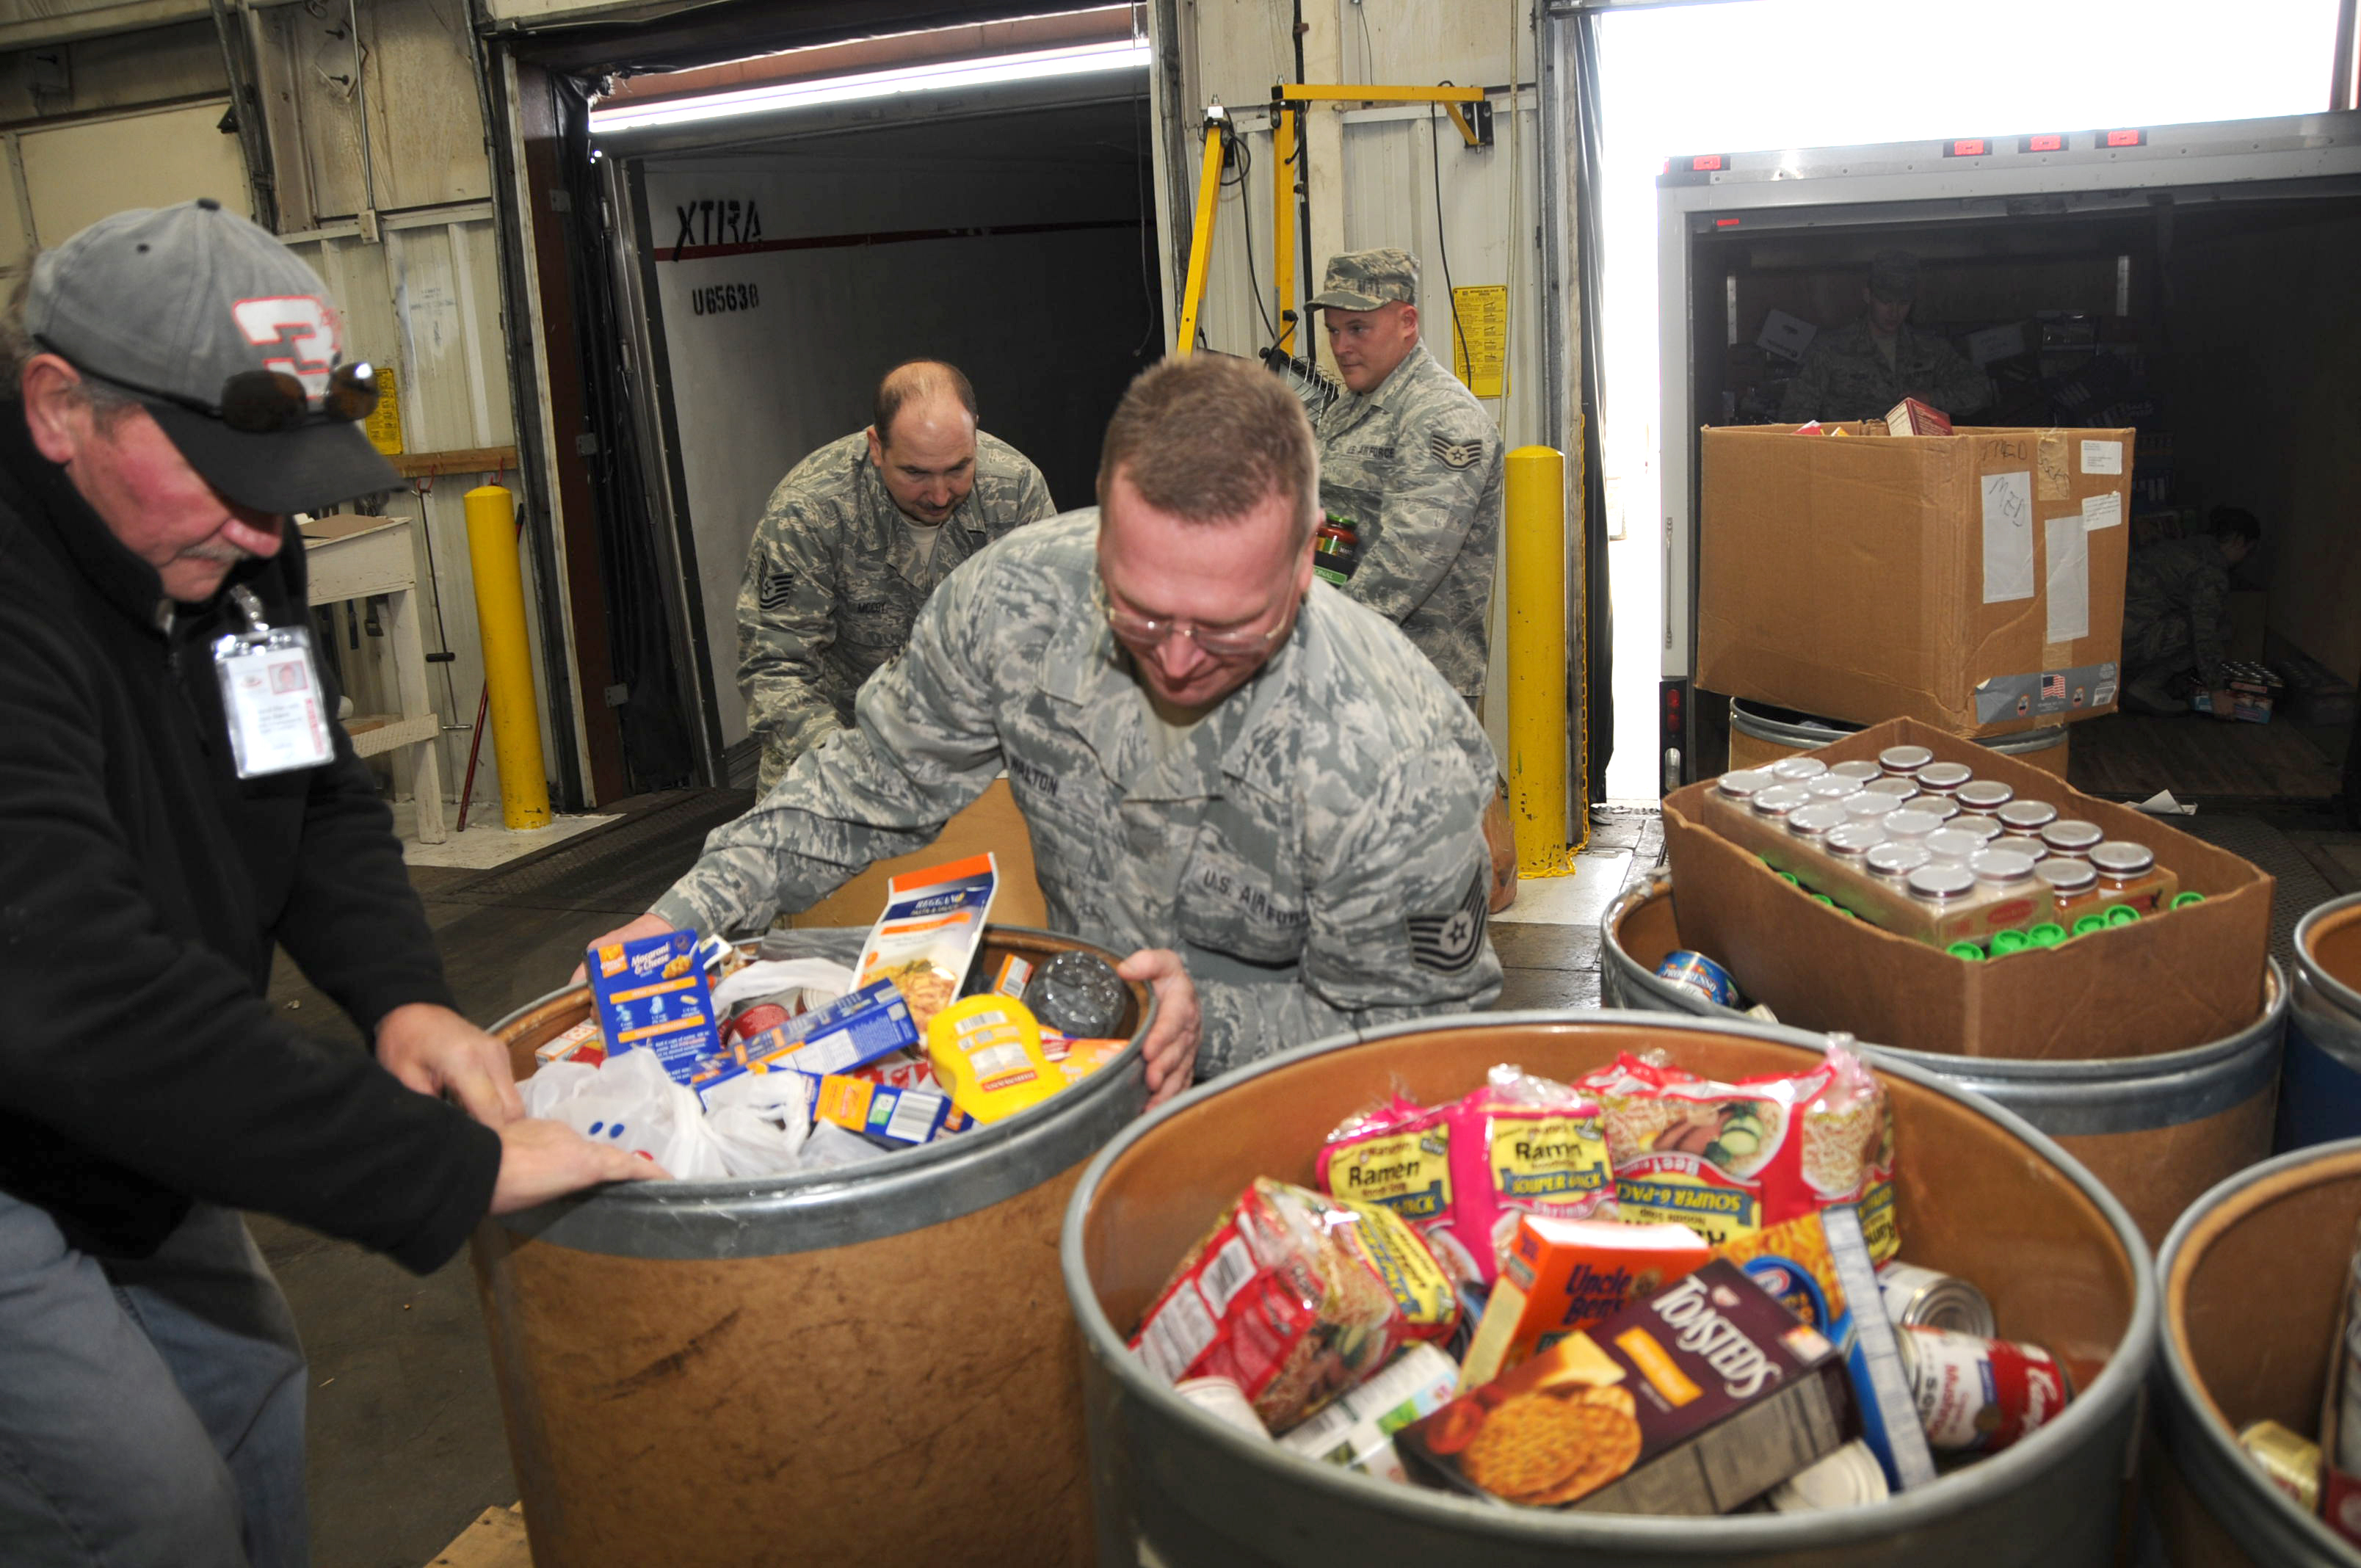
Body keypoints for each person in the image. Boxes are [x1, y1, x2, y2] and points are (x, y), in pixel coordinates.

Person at [0, 200, 651, 1568]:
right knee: (139, 1508)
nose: (265, 532)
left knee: (248, 1399)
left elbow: (310, 788)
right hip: (33, 1096)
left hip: (125, 1121)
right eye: (231, 477)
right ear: (60, 408)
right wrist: (445, 1165)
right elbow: (72, 989)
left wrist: (403, 998)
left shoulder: (233, 546)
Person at [590, 355, 1503, 1100]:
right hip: (1075, 1080)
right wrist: (681, 916)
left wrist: (1209, 1023)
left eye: (1226, 627)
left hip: (1289, 1117)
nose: (1177, 660)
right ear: (1101, 533)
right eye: (1138, 611)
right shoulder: (1017, 599)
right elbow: (863, 790)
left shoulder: (1394, 751)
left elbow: (1421, 1049)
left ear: (1305, 560)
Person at [738, 360, 1056, 788]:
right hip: (835, 748)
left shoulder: (1014, 491)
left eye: (958, 468)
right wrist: (850, 766)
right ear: (876, 446)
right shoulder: (810, 510)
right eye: (916, 473)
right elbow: (775, 666)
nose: (940, 495)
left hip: (972, 750)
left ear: (975, 432)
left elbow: (1049, 640)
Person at [1305, 248, 1504, 705]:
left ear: (1407, 321)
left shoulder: (1443, 416)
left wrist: (1316, 638)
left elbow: (1411, 554)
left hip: (1416, 686)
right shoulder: (1348, 408)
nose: (1340, 347)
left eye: (1358, 329)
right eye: (1333, 330)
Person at [1778, 250, 1990, 424]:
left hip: (1915, 460)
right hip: (1852, 461)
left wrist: (1930, 398)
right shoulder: (1830, 350)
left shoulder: (1930, 349)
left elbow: (1979, 390)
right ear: (1868, 296)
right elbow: (1795, 417)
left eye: (1903, 303)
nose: (1894, 311)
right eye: (1886, 301)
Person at [2121, 507, 2262, 719]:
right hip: (2130, 638)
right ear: (2238, 542)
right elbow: (2205, 633)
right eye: (2247, 551)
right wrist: (2217, 692)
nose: (2244, 558)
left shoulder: (2189, 547)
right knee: (2217, 627)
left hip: (2110, 633)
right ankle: (2146, 687)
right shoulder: (2210, 571)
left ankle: (2136, 682)